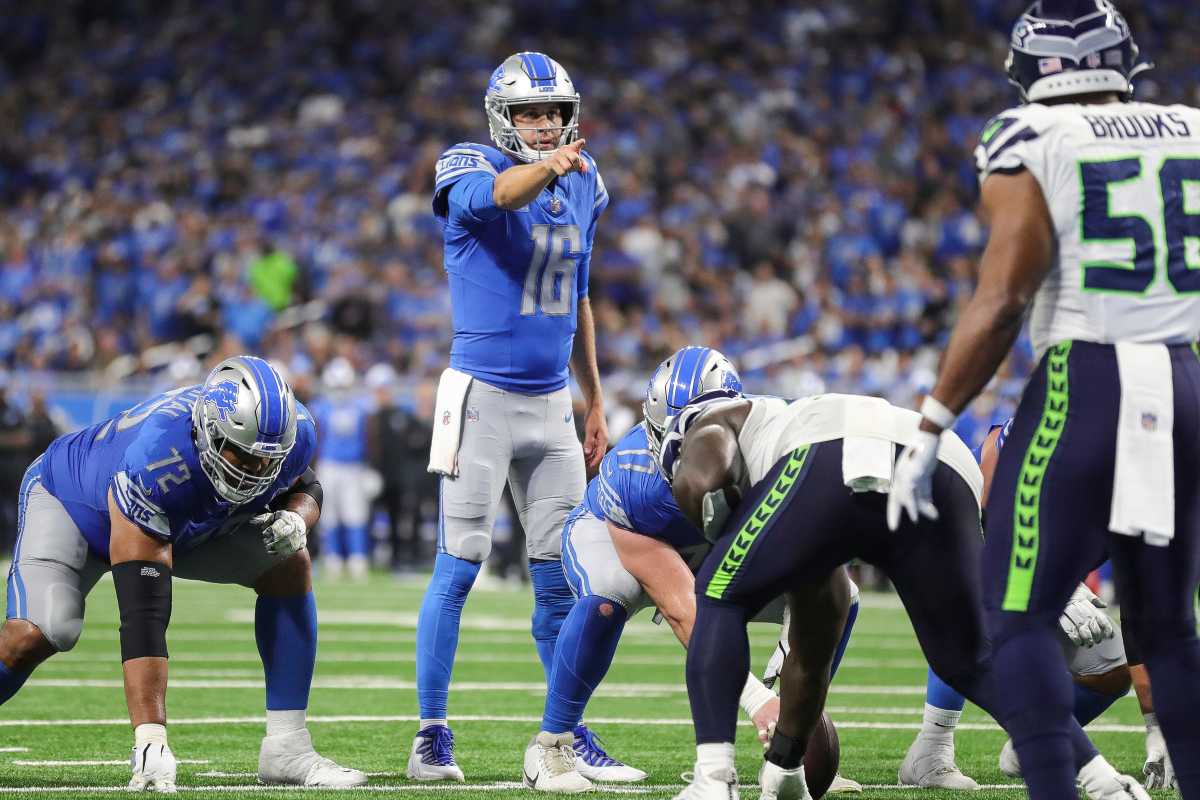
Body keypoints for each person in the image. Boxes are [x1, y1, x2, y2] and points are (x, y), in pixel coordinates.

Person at [887, 2, 1200, 797]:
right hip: (1182, 377)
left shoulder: (1029, 137)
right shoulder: (1189, 127)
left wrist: (931, 423)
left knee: (1016, 617)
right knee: (1167, 628)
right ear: (1123, 61)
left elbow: (1001, 299)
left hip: (1085, 379)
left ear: (1029, 72)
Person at [660, 391, 1144, 800]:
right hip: (945, 465)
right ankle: (1102, 781)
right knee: (973, 660)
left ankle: (712, 780)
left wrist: (725, 549)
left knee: (718, 594)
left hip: (835, 456)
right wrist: (786, 766)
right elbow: (810, 652)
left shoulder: (717, 419)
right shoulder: (797, 424)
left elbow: (700, 479)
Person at [0, 355, 366, 790]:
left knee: (286, 560)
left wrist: (297, 520)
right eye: (240, 455)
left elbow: (303, 486)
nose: (253, 472)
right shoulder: (153, 458)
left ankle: (288, 749)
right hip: (74, 506)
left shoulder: (290, 434)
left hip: (181, 518)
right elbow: (144, 613)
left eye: (264, 462)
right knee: (42, 630)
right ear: (209, 430)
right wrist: (151, 738)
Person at [524, 347, 857, 793]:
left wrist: (795, 656)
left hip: (704, 541)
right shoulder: (635, 480)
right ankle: (550, 745)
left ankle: (790, 752)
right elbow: (686, 608)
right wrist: (759, 701)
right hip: (615, 535)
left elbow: (813, 561)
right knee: (606, 600)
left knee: (841, 599)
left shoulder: (768, 451)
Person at [410, 50, 609, 780]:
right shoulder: (467, 162)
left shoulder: (586, 182)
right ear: (503, 118)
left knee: (561, 579)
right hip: (482, 399)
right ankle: (431, 735)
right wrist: (548, 170)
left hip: (553, 402)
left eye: (556, 113)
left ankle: (564, 735)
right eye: (532, 112)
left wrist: (594, 398)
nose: (547, 124)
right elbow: (491, 198)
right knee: (459, 566)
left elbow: (580, 297)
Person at [899, 419, 1131, 789]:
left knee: (1112, 665)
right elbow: (984, 506)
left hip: (1044, 571)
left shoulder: (1157, 476)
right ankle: (932, 745)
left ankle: (1030, 745)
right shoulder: (1071, 416)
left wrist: (1156, 734)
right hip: (973, 538)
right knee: (973, 610)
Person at [310, 357, 374, 580]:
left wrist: (369, 466)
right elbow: (317, 439)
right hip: (329, 465)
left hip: (354, 466)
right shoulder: (320, 406)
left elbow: (369, 438)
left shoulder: (362, 406)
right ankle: (333, 558)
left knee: (355, 514)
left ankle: (358, 558)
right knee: (329, 515)